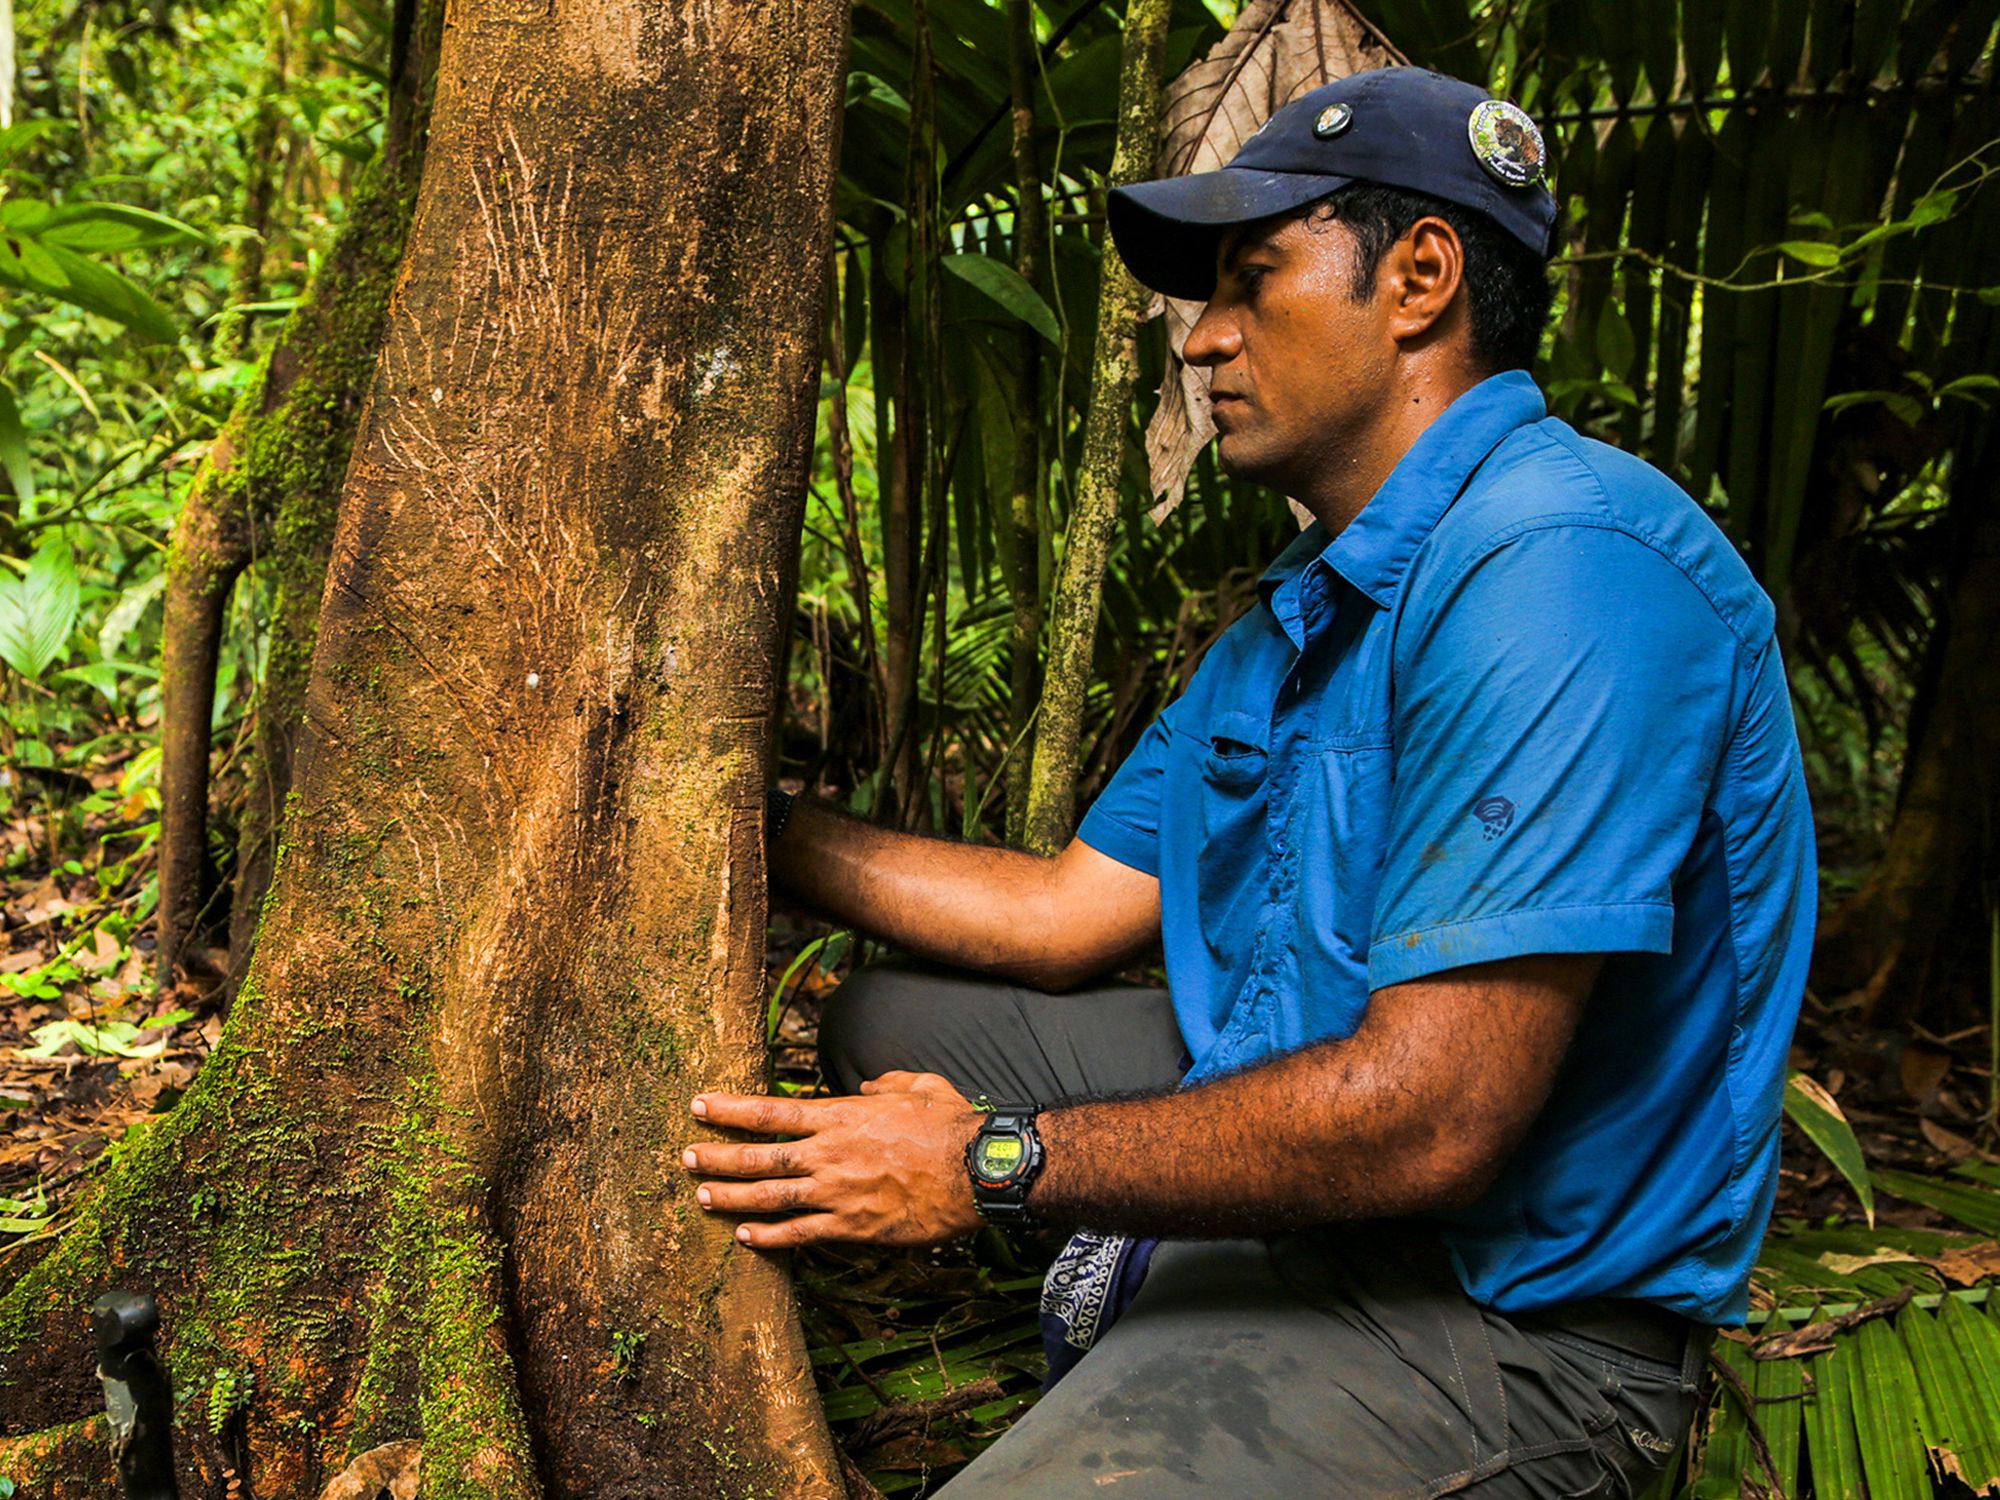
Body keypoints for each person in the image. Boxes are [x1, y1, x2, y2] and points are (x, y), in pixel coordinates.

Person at [681, 66, 1815, 1495]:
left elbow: (1437, 1117)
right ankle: (1188, 1252)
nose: (1204, 341)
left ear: (1420, 277)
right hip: (1326, 1157)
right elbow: (1056, 915)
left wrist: (992, 1164)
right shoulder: (1304, 615)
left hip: (1497, 1320)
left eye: (1252, 280)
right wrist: (736, 820)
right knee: (896, 1018)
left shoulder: (1566, 568)